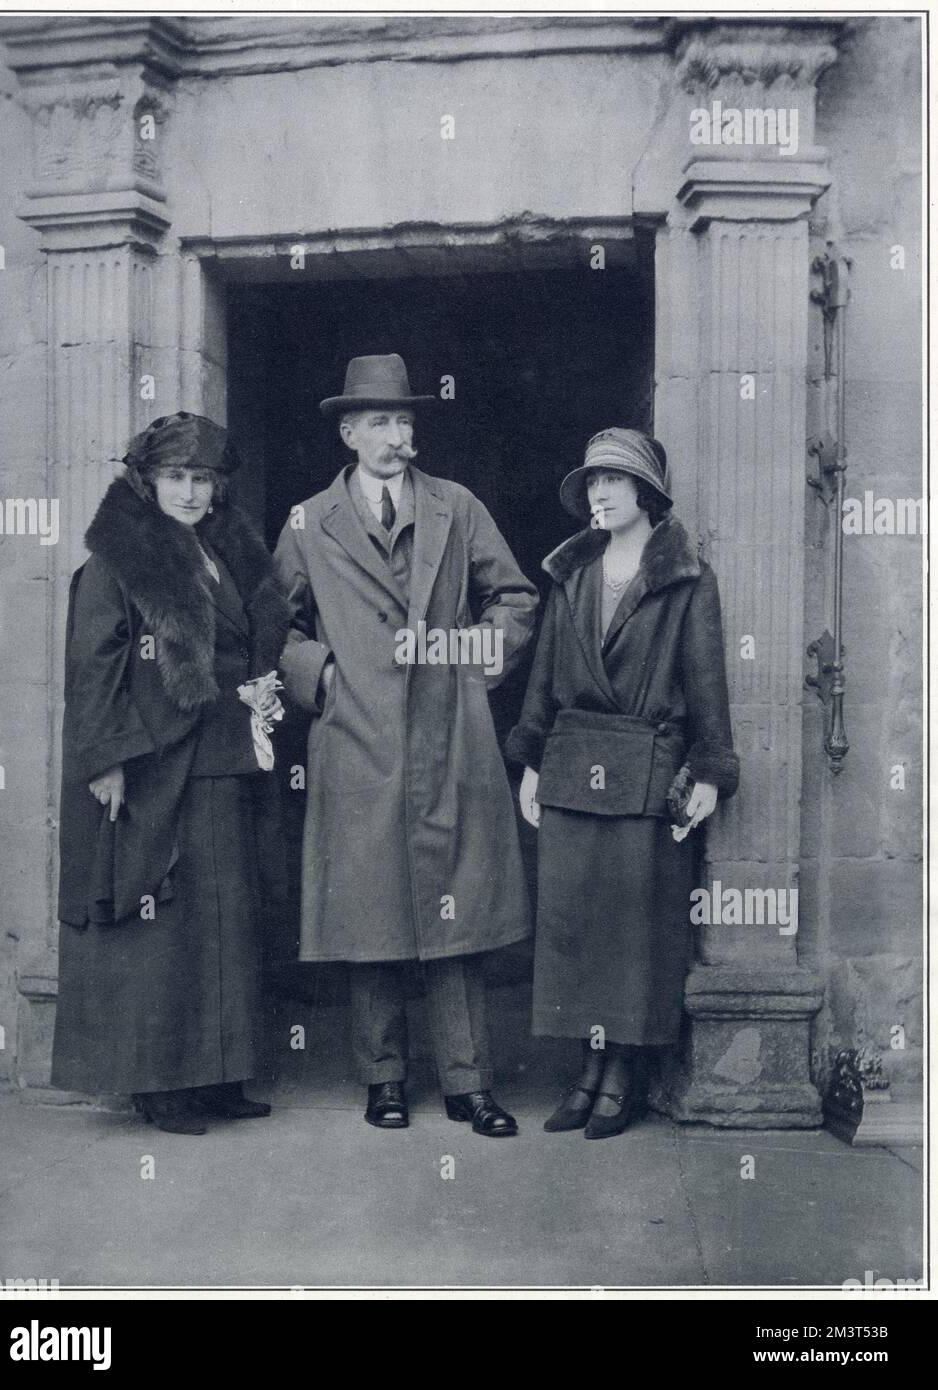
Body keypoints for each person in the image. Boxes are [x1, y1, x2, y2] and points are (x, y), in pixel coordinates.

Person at [274, 354, 538, 1137]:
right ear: (349, 432)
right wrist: (319, 676)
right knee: (371, 919)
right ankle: (382, 1079)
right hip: (355, 739)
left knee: (456, 920)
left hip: (448, 735)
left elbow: (515, 597)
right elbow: (271, 623)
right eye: (382, 422)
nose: (399, 437)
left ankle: (468, 1085)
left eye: (407, 421)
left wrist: (477, 656)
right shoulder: (306, 521)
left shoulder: (457, 507)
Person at [52, 412, 292, 1135]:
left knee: (224, 924)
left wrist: (261, 689)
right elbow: (93, 669)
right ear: (147, 481)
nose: (190, 492)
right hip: (155, 765)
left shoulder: (224, 554)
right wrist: (108, 761)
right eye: (176, 478)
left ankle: (218, 1075)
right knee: (162, 927)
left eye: (202, 479)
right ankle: (159, 1087)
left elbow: (252, 642)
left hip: (222, 759)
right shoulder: (116, 562)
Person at [506, 428, 739, 1138]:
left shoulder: (686, 577)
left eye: (613, 480)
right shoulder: (571, 571)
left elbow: (706, 683)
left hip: (645, 771)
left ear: (645, 491)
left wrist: (709, 769)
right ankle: (587, 1071)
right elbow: (545, 676)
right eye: (592, 483)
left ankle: (624, 1078)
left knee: (634, 934)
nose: (599, 493)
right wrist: (533, 761)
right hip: (575, 767)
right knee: (576, 929)